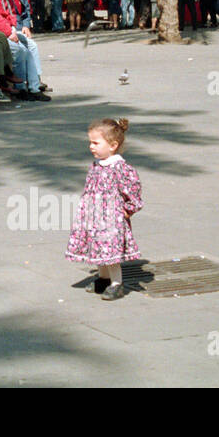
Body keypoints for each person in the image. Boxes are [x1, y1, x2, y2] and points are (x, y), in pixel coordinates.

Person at [66, 117, 143, 301]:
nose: (91, 147)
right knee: (97, 247)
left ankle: (117, 283)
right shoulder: (97, 165)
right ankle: (103, 278)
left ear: (113, 145)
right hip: (94, 215)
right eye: (90, 142)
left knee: (110, 252)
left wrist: (129, 208)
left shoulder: (120, 167)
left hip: (111, 218)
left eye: (95, 143)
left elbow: (132, 188)